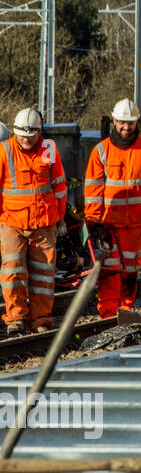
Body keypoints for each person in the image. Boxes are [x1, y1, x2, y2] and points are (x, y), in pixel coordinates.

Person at [83, 98, 141, 319]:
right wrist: (94, 223)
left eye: (129, 123)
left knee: (130, 270)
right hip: (108, 224)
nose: (125, 127)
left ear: (137, 121)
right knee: (110, 271)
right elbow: (93, 189)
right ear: (114, 121)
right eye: (121, 122)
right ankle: (109, 313)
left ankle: (125, 309)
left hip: (137, 224)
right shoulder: (101, 151)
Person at [0, 109, 66, 334]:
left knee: (43, 276)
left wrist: (60, 218)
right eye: (21, 134)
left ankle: (41, 321)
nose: (25, 139)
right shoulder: (4, 150)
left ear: (40, 132)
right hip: (12, 221)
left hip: (44, 222)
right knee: (13, 271)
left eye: (30, 134)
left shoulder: (50, 149)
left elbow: (59, 185)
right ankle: (15, 318)